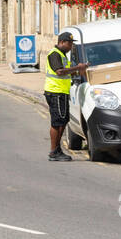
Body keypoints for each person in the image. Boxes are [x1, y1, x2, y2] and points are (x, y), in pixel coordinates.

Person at [44, 32, 89, 162]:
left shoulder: (63, 55)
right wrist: (77, 67)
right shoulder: (54, 54)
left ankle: (57, 149)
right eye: (69, 43)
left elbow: (66, 72)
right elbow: (59, 71)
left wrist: (79, 70)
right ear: (62, 42)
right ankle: (54, 151)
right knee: (57, 122)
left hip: (62, 92)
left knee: (63, 120)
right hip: (55, 92)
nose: (71, 46)